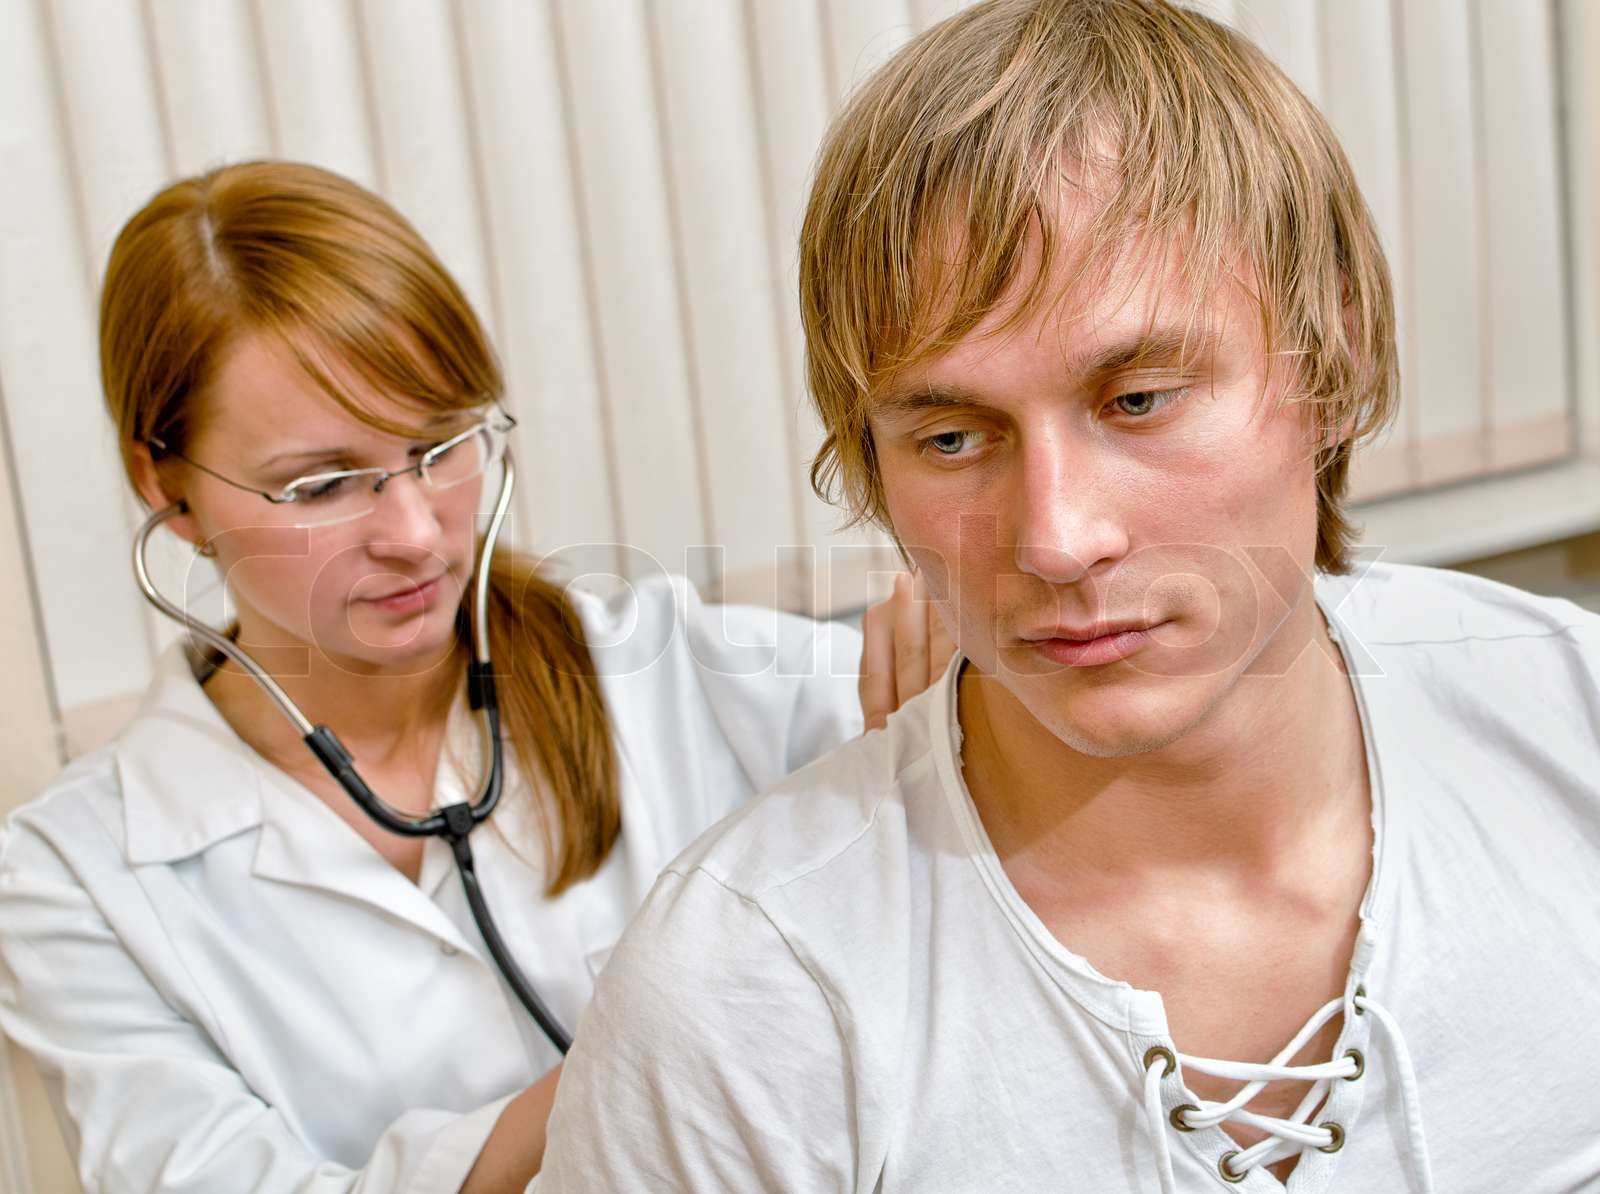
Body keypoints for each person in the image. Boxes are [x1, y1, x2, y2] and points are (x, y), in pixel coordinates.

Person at [530, 1, 1600, 1190]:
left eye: (1138, 399)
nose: (1053, 539)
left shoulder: (1570, 718)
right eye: (948, 437)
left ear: (1331, 358)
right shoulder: (744, 1000)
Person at [0, 160, 951, 1194]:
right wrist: (671, 1033)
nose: (414, 534)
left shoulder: (667, 669)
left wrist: (960, 654)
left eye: (442, 444)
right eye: (321, 485)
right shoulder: (72, 878)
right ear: (166, 485)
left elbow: (938, 738)